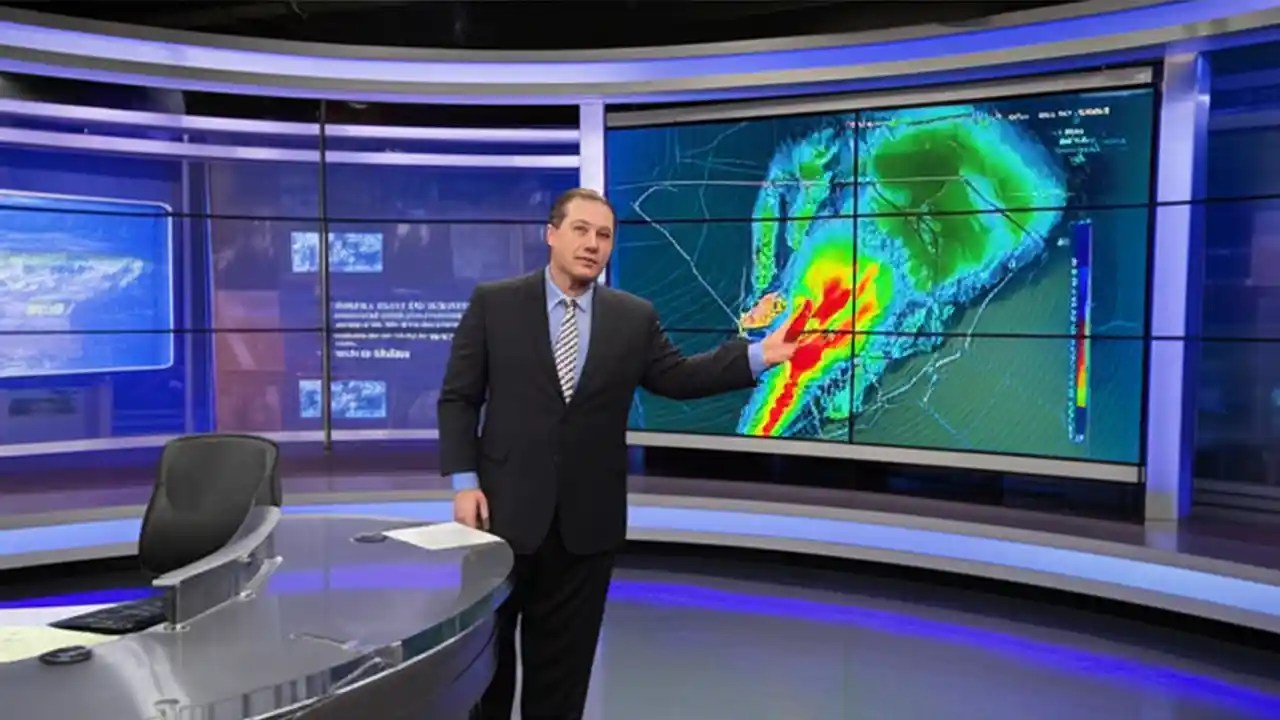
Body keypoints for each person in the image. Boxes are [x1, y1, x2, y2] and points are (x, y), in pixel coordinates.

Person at [438, 187, 797, 720]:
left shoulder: (632, 317)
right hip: (500, 516)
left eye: (604, 235)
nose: (592, 244)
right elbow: (459, 398)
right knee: (487, 669)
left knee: (561, 676)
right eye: (581, 230)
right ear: (551, 234)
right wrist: (464, 482)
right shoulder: (495, 303)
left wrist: (757, 356)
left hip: (587, 526)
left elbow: (678, 378)